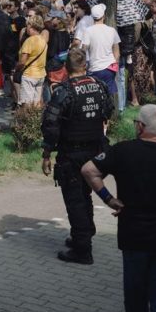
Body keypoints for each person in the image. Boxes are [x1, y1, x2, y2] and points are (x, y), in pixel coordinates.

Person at [82, 105, 156, 312]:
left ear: (140, 126)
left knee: (135, 300)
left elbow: (88, 170)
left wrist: (108, 199)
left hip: (134, 237)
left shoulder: (123, 151)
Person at [41, 48, 113, 265]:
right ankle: (83, 235)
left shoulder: (63, 91)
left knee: (75, 199)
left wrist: (46, 153)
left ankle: (83, 250)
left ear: (66, 68)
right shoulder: (99, 86)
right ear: (85, 66)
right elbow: (108, 111)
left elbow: (50, 125)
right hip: (97, 151)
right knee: (85, 193)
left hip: (71, 153)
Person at [79, 3, 121, 98]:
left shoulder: (88, 31)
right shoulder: (111, 30)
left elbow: (83, 50)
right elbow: (117, 51)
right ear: (103, 16)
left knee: (96, 96)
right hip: (110, 67)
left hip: (95, 68)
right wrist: (115, 63)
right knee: (109, 95)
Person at [17, 15, 47, 107]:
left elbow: (22, 61)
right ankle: (36, 121)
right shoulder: (43, 39)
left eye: (27, 25)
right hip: (41, 74)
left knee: (26, 104)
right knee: (36, 103)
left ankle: (26, 121)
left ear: (31, 26)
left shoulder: (29, 40)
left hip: (29, 74)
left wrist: (17, 69)